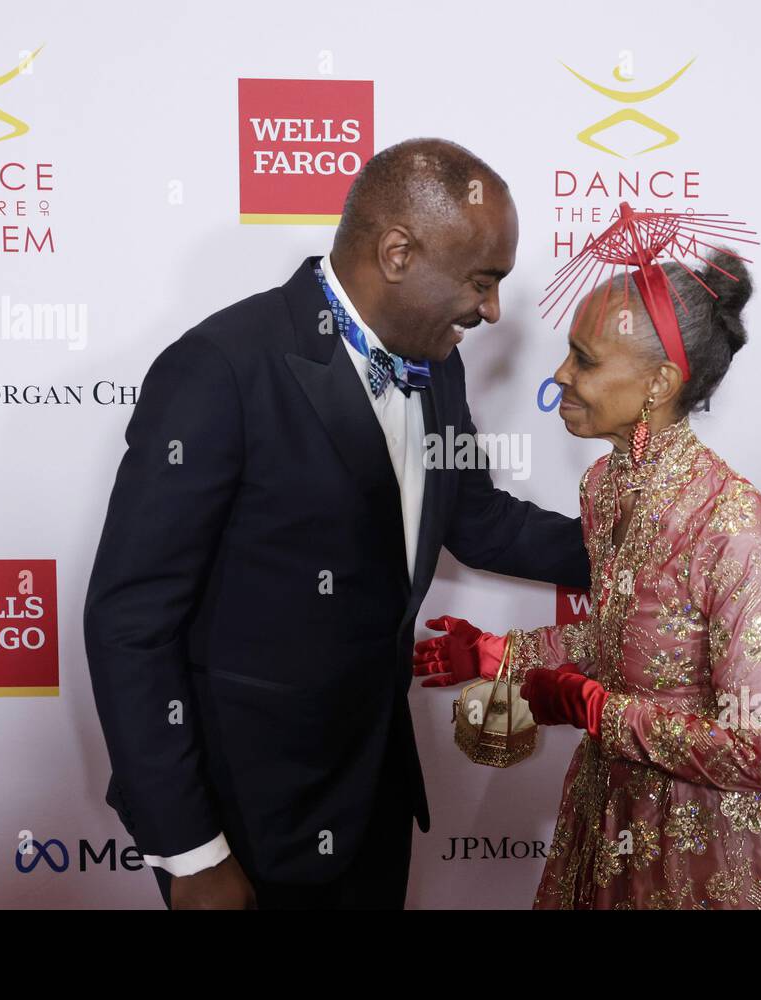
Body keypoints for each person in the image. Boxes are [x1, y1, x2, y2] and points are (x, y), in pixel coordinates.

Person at [83, 137, 590, 909]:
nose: (491, 310)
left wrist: (652, 544)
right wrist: (191, 855)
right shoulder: (221, 369)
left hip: (374, 797)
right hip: (245, 817)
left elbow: (478, 519)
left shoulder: (437, 364)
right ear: (397, 252)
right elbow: (129, 622)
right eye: (483, 281)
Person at [414, 234, 761, 909]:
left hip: (707, 844)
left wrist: (592, 707)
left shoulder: (729, 521)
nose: (560, 377)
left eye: (584, 359)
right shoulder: (606, 485)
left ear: (660, 383)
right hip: (612, 813)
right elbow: (628, 646)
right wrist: (499, 656)